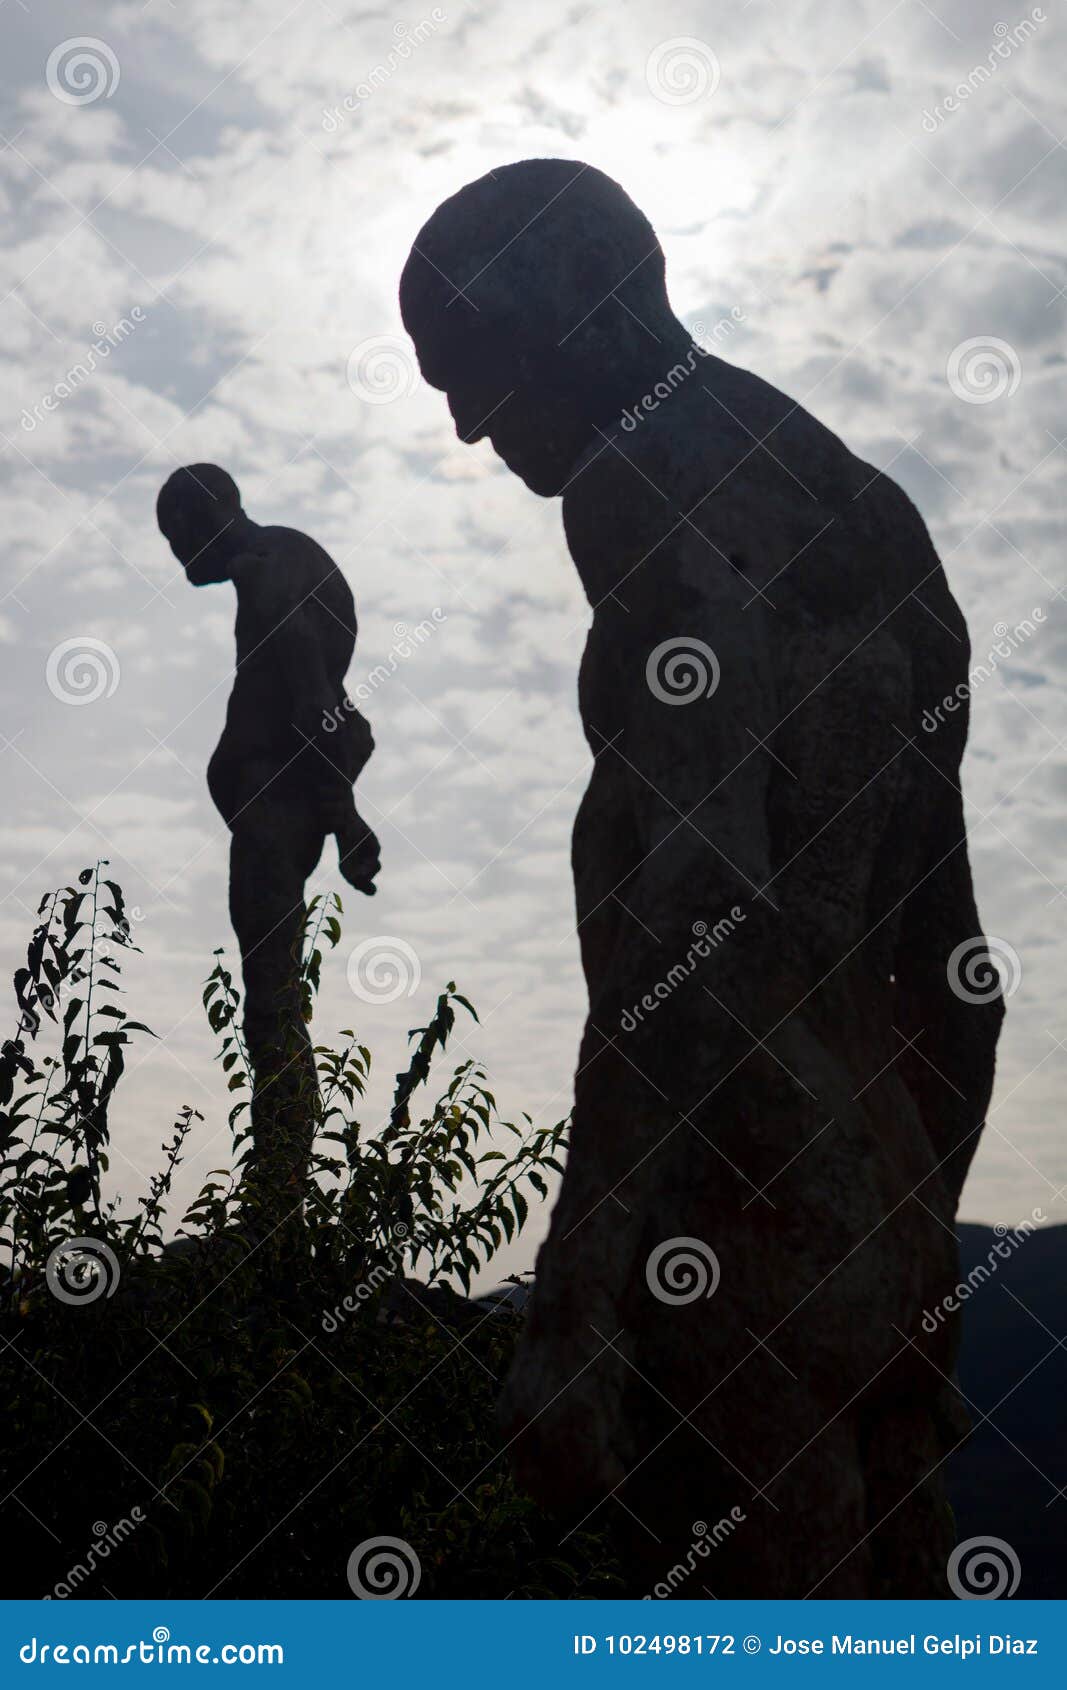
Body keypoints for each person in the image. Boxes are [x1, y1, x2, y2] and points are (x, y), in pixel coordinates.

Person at [400, 160, 1003, 1594]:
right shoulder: (868, 514)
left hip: (729, 1221)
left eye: (472, 372)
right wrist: (907, 1212)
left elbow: (697, 892)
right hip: (889, 1219)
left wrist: (581, 1288)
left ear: (572, 314)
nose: (472, 430)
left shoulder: (637, 475)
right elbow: (954, 972)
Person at [157, 463, 380, 1202]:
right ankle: (277, 1188)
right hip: (278, 795)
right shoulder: (284, 558)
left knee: (271, 997)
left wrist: (343, 814)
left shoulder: (270, 570)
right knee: (273, 990)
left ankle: (276, 1196)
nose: (176, 554)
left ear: (207, 517)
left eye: (176, 534)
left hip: (275, 801)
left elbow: (310, 687)